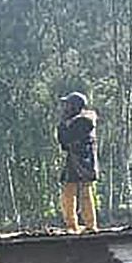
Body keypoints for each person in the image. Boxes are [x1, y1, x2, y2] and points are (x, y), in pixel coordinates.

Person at [56, 91, 99, 232]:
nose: (65, 108)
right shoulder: (75, 121)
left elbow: (67, 138)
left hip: (83, 161)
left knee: (85, 192)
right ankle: (72, 225)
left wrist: (63, 125)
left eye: (68, 105)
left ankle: (90, 225)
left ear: (75, 106)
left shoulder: (84, 121)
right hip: (75, 159)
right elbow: (64, 143)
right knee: (68, 191)